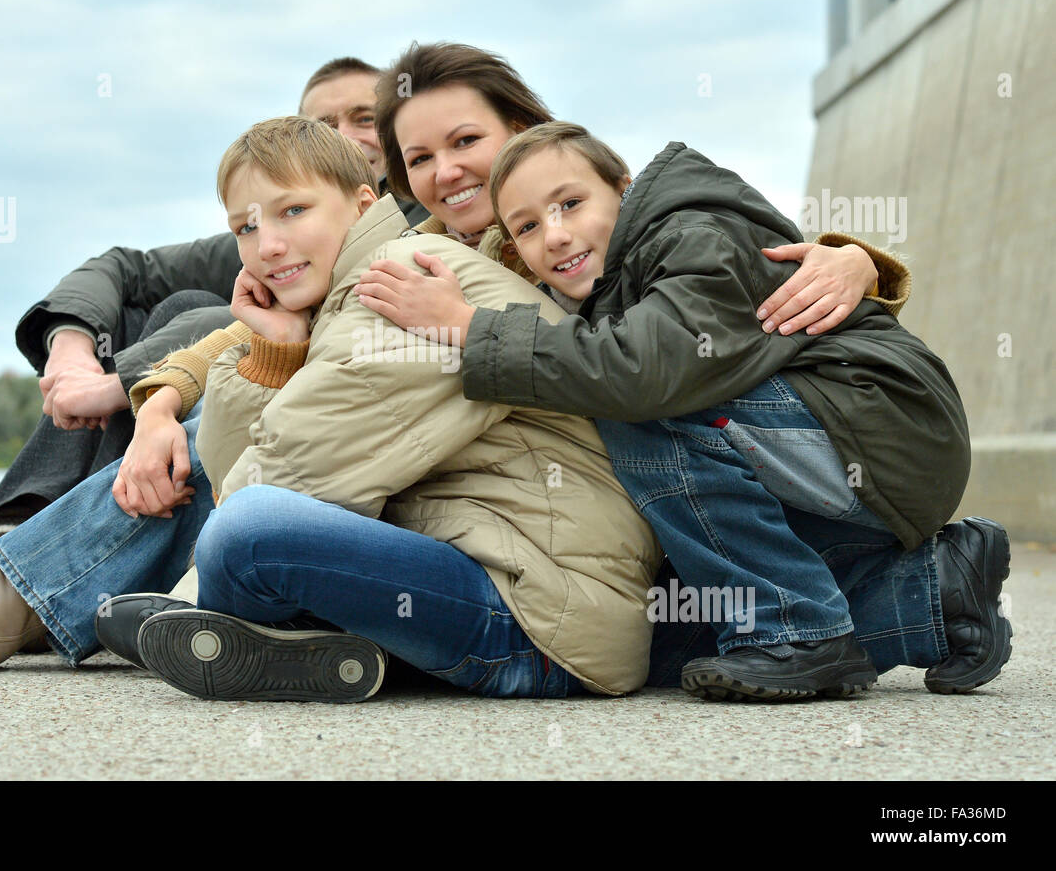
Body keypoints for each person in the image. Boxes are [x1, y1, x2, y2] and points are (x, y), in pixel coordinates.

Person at [0, 116, 665, 699]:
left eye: (291, 212)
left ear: (361, 202)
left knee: (249, 532)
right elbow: (249, 456)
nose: (267, 244)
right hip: (484, 573)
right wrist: (272, 353)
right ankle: (28, 601)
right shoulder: (344, 288)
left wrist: (181, 597)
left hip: (542, 618)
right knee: (236, 514)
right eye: (246, 226)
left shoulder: (405, 278)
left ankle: (23, 602)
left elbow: (293, 470)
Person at [352, 63, 1012, 699]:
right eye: (418, 158)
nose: (446, 169)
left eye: (465, 140)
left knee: (642, 411)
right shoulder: (427, 262)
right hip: (708, 491)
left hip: (860, 435)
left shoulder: (648, 225)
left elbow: (665, 351)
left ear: (521, 126)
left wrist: (856, 260)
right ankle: (937, 593)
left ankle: (796, 629)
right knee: (681, 632)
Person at [0, 56, 430, 647]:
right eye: (320, 121)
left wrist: (126, 383)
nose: (340, 135)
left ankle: (29, 592)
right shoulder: (278, 235)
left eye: (362, 117)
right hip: (291, 475)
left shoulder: (416, 245)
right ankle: (32, 558)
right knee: (171, 307)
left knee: (202, 317)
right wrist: (78, 353)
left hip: (353, 506)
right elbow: (123, 267)